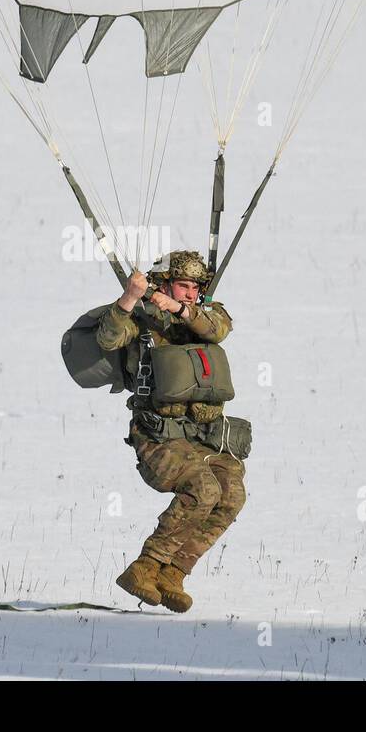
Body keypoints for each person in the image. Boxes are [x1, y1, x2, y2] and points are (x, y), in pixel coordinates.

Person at [95, 250, 246, 612]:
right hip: (159, 439)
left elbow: (217, 329)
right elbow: (108, 339)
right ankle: (145, 567)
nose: (191, 294)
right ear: (165, 284)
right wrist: (130, 298)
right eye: (183, 286)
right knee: (203, 488)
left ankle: (174, 572)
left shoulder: (208, 315)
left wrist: (180, 309)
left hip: (202, 437)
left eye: (196, 288)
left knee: (231, 494)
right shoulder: (144, 320)